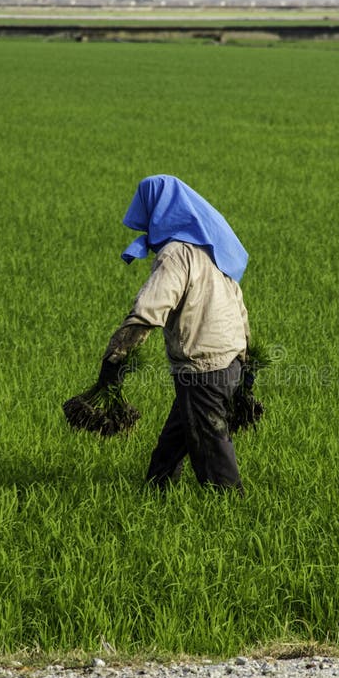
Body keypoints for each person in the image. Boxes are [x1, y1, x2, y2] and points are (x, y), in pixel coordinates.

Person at [97, 174, 251, 492]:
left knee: (212, 452)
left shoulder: (176, 255)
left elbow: (148, 312)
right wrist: (246, 364)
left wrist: (114, 360)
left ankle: (231, 507)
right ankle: (156, 489)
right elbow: (240, 309)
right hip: (229, 360)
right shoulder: (213, 248)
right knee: (175, 439)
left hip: (204, 367)